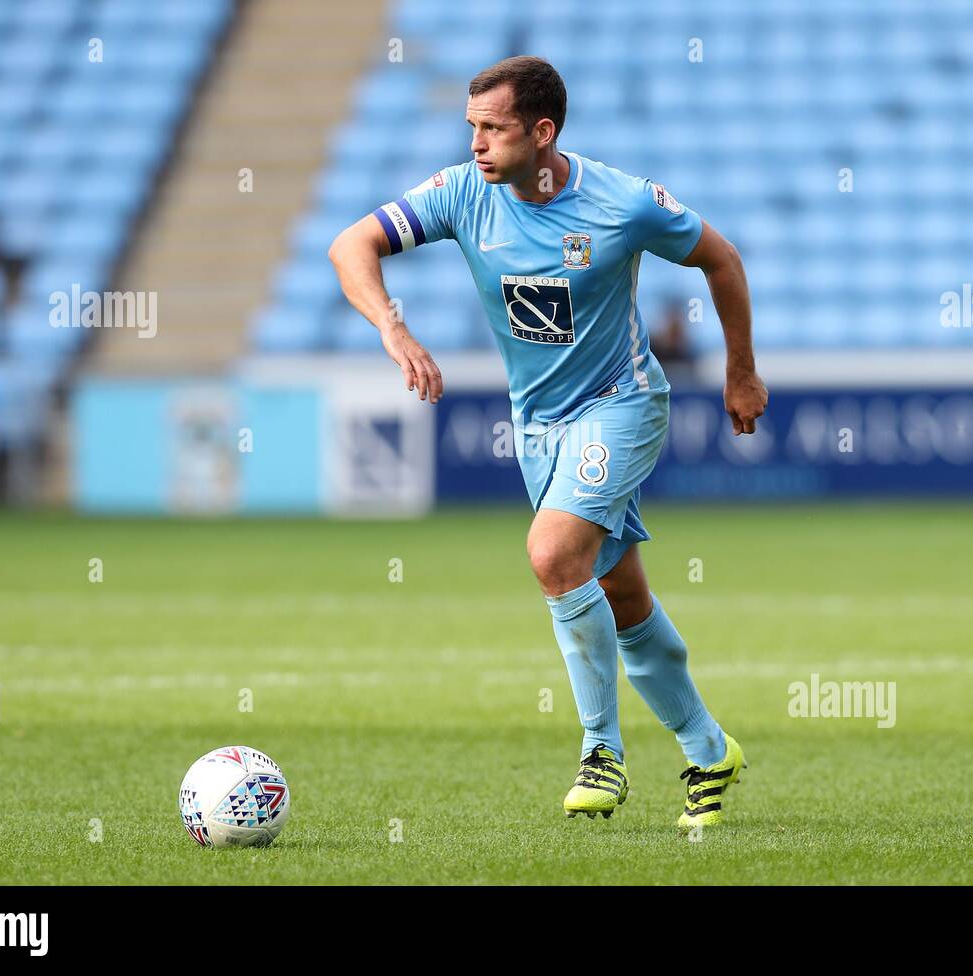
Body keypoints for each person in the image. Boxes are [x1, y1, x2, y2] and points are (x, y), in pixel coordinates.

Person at [329, 56, 768, 829]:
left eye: (492, 129)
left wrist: (740, 373)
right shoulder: (465, 192)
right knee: (622, 597)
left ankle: (602, 752)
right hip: (539, 428)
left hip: (622, 402)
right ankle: (709, 750)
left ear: (542, 132)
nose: (476, 145)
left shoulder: (623, 203)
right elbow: (350, 246)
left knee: (551, 556)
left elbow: (721, 260)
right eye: (471, 128)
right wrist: (394, 331)